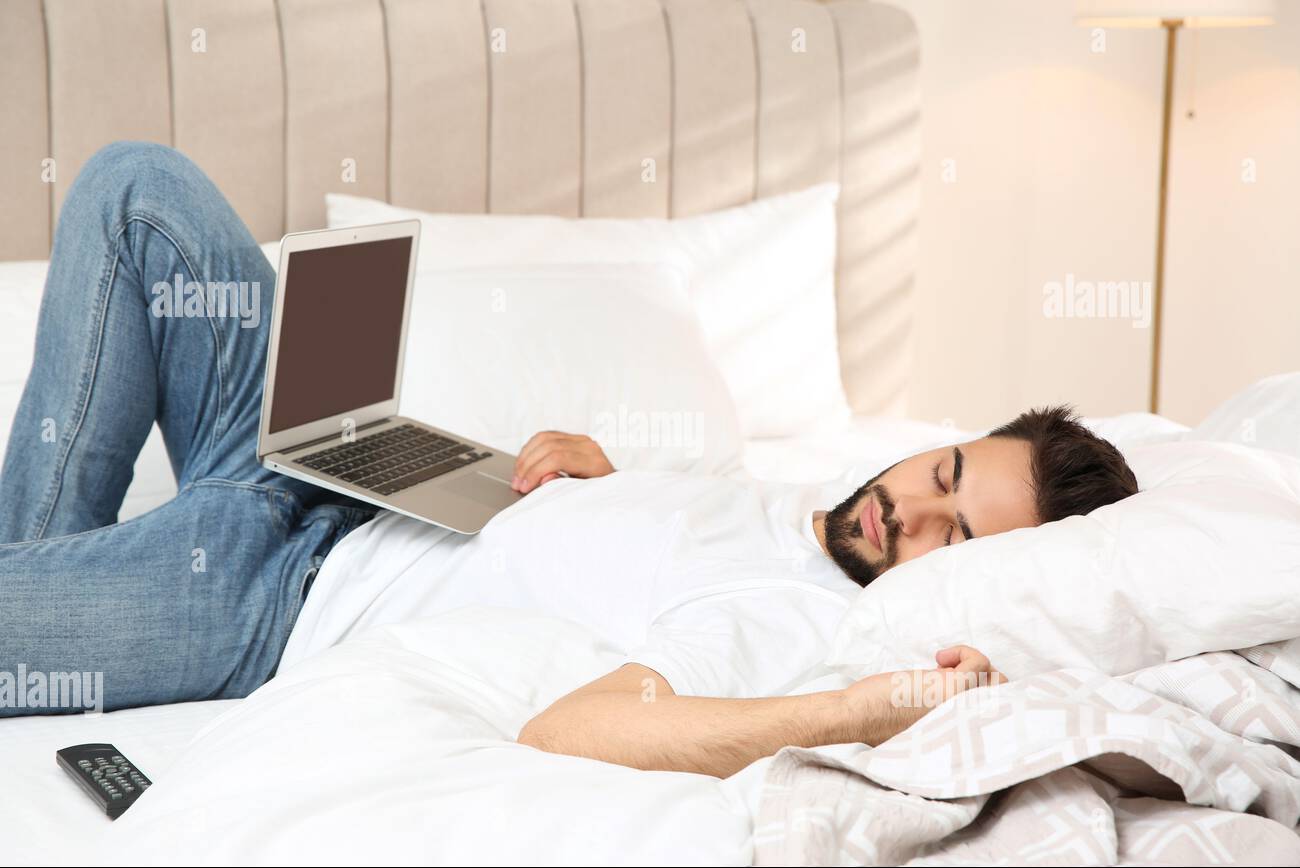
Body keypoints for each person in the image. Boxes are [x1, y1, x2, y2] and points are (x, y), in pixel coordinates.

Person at [0, 144, 1138, 761]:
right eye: (939, 473)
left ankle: (42, 578)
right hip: (325, 464)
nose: (908, 512)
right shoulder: (781, 491)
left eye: (956, 535)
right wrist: (603, 479)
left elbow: (577, 727)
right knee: (134, 188)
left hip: (270, 596)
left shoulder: (801, 625)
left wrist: (854, 710)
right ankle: (43, 570)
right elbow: (631, 546)